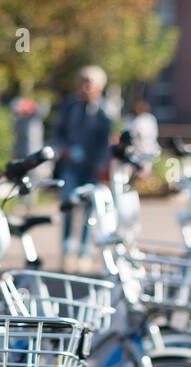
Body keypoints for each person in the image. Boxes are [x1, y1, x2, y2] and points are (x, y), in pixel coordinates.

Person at [53, 65, 112, 271]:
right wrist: (65, 149)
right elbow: (58, 134)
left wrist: (102, 167)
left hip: (92, 169)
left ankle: (84, 253)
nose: (85, 87)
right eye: (82, 82)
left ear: (99, 87)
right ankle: (67, 250)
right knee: (68, 206)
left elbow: (106, 144)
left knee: (89, 212)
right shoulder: (70, 107)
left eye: (89, 83)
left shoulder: (105, 112)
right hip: (71, 166)